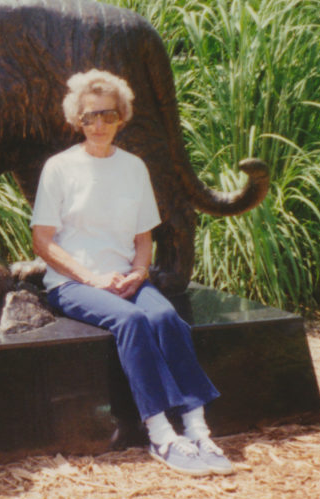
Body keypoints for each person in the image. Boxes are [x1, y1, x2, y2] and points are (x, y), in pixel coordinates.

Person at [30, 69, 233, 476]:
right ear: (77, 120)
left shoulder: (134, 168)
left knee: (164, 316)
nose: (99, 125)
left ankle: (197, 429)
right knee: (132, 321)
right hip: (73, 283)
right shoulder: (59, 168)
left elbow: (144, 238)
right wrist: (92, 278)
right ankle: (161, 435)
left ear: (121, 117)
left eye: (107, 115)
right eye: (89, 117)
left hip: (125, 276)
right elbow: (42, 241)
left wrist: (139, 273)